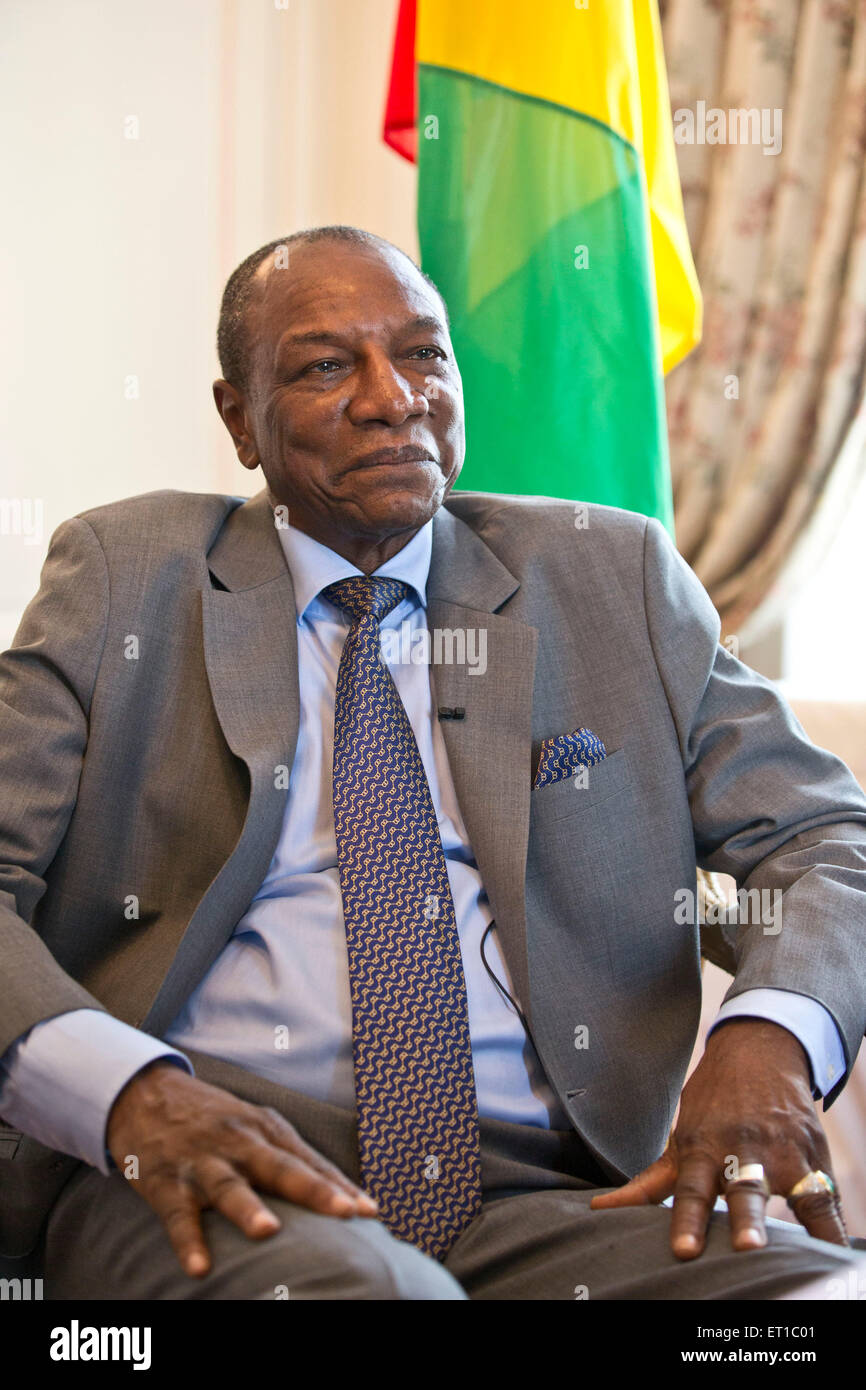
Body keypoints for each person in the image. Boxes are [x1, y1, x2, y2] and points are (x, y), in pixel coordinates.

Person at [1, 225, 865, 1301]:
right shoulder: (125, 577)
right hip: (211, 1156)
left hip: (556, 1195)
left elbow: (824, 838)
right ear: (237, 418)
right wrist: (128, 1094)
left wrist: (767, 1040)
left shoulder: (609, 573)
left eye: (421, 354)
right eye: (326, 366)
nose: (391, 397)